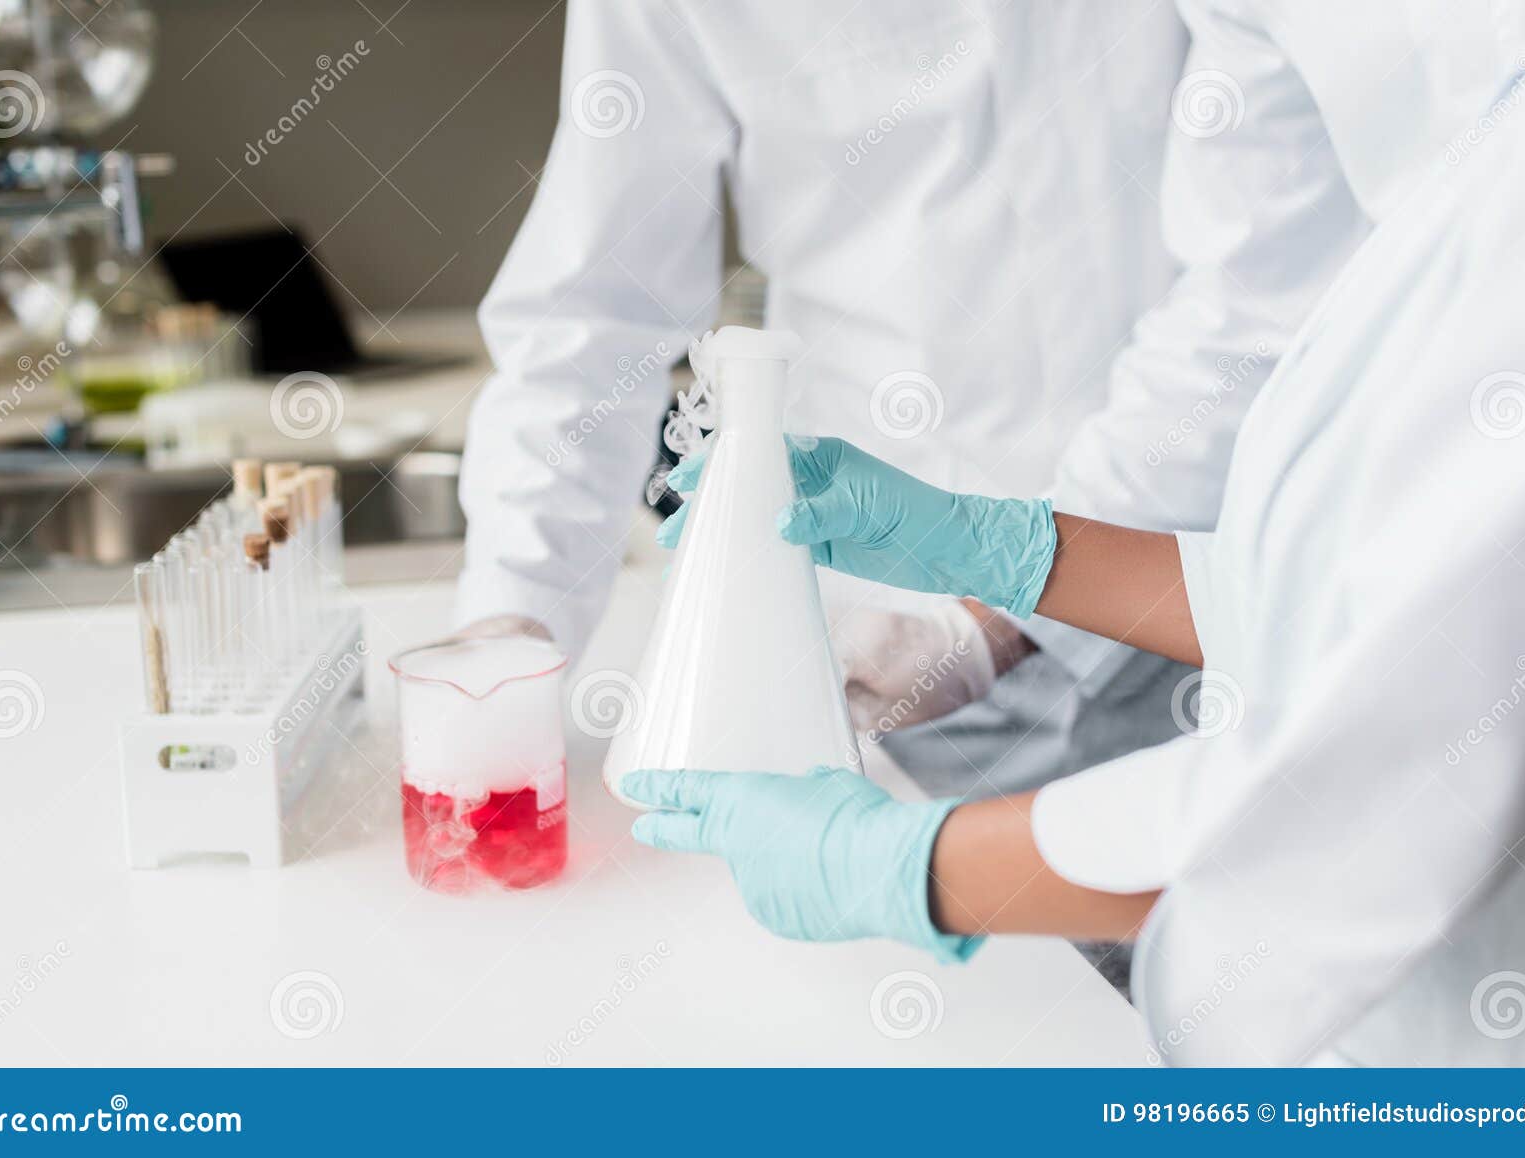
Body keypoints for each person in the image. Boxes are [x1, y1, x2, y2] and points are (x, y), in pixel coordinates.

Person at [627, 39, 1525, 1065]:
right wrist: (1001, 552)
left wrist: (895, 862)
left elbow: (1368, 804)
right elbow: (1354, 615)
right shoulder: (1491, 153)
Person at [456, 0, 1208, 807]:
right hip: (886, 655)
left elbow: (1263, 282)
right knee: (907, 914)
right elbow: (596, 314)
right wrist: (512, 614)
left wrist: (1005, 610)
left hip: (1213, 593)